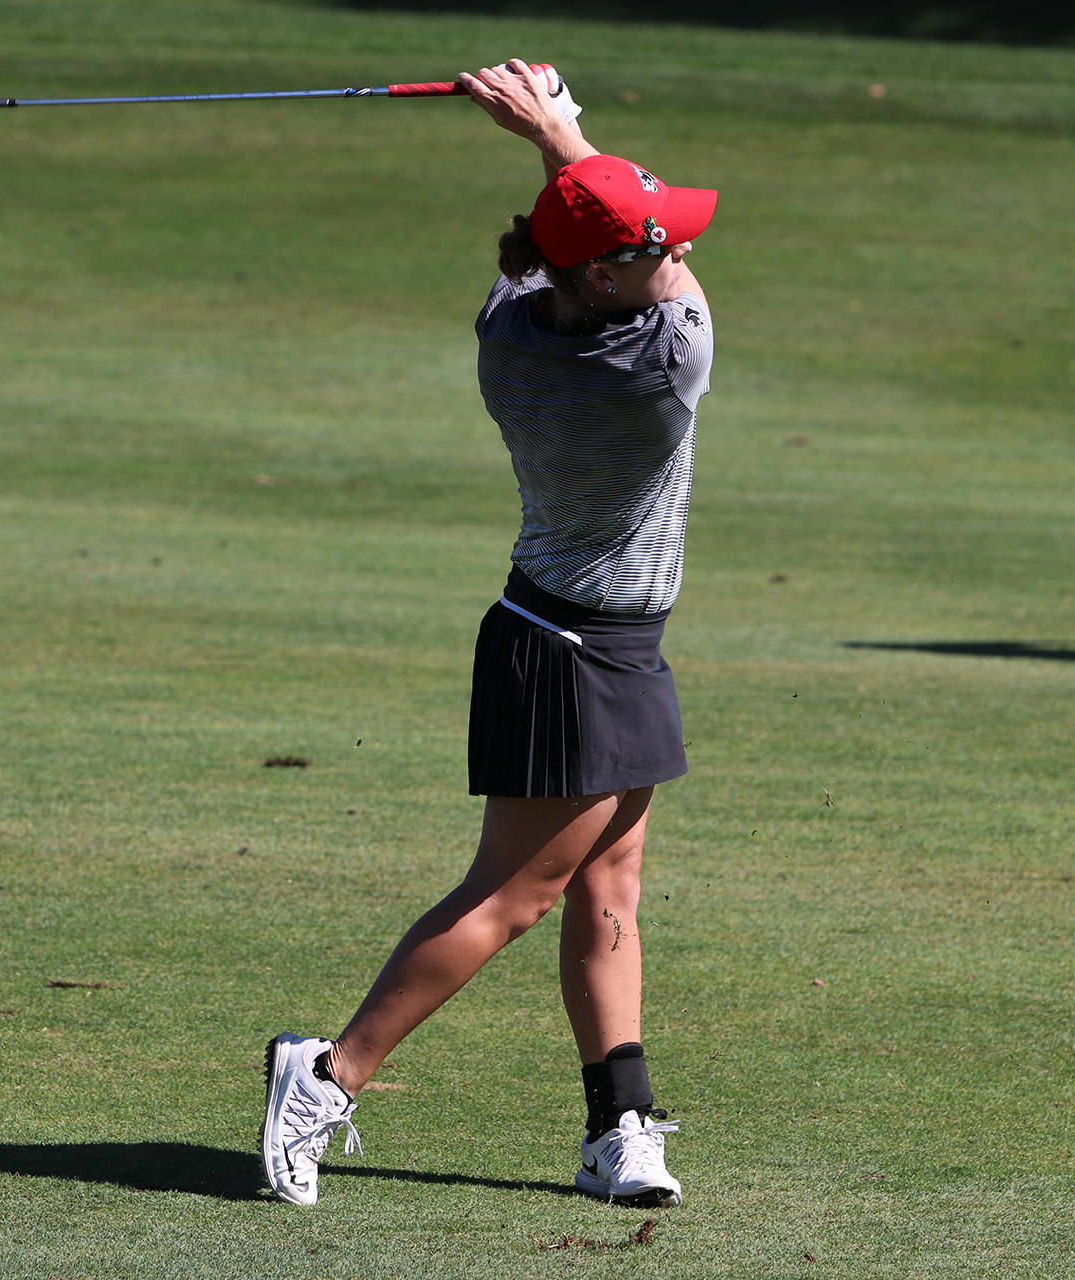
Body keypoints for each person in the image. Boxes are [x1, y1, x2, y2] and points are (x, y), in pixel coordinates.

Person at [261, 59, 716, 1208]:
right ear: (614, 277)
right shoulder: (662, 362)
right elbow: (609, 235)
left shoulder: (512, 325)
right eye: (664, 246)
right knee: (510, 896)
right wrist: (555, 124)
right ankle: (324, 1072)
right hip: (565, 650)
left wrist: (558, 142)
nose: (685, 253)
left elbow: (582, 235)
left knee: (613, 879)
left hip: (593, 637)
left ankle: (620, 1124)